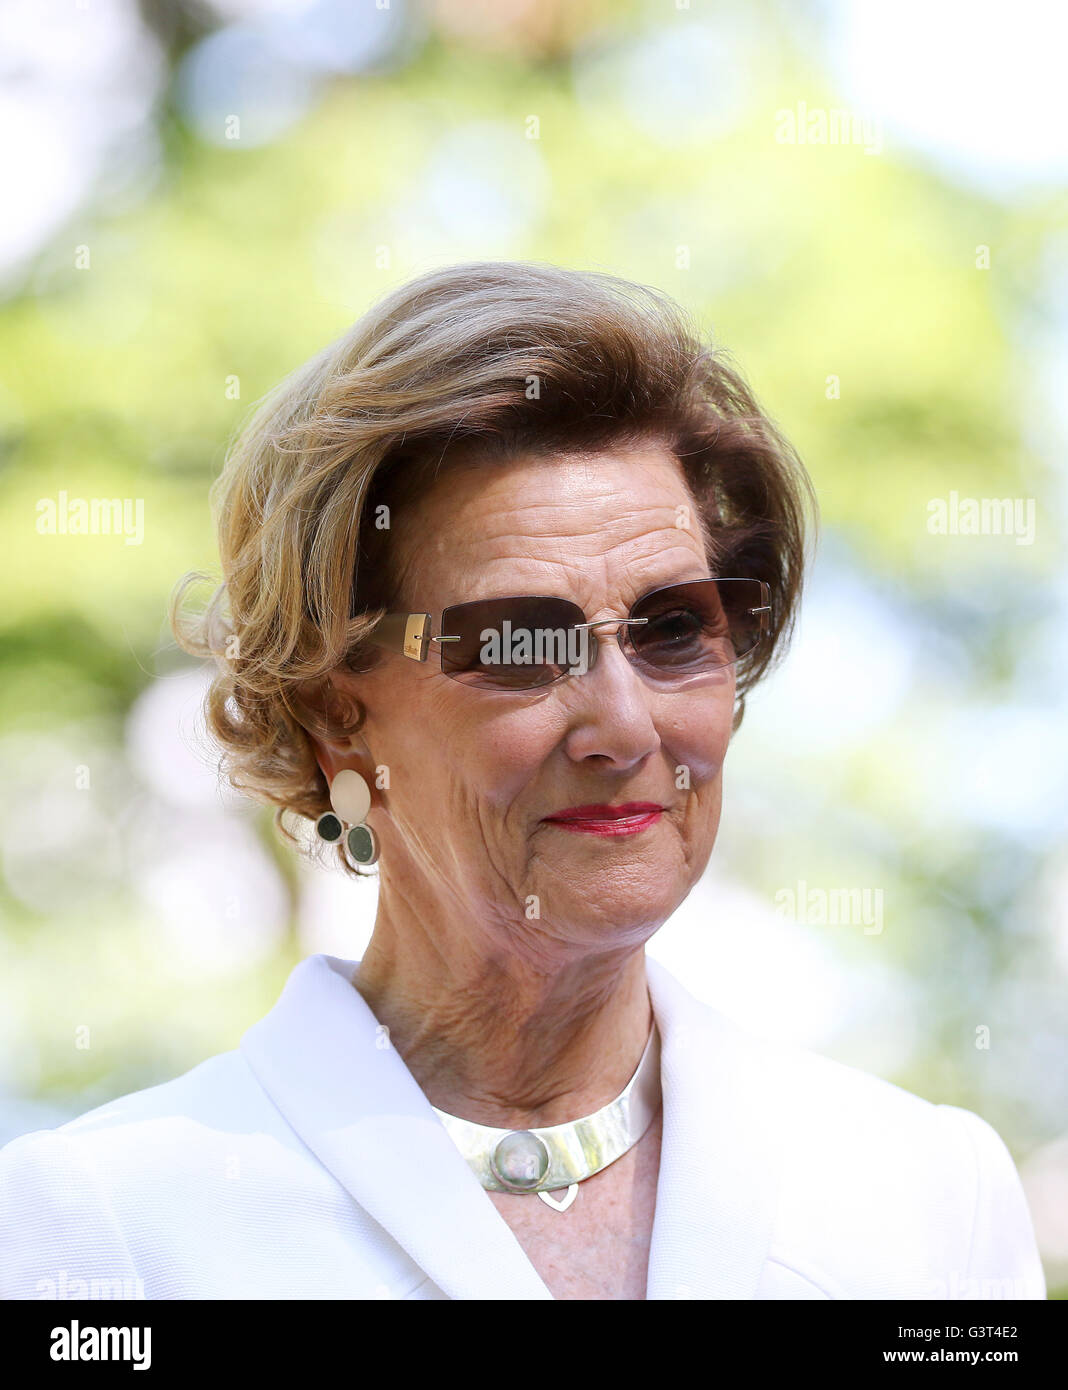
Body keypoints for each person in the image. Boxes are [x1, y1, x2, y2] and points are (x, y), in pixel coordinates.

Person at [0, 262, 1045, 1300]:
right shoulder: (109, 1225)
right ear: (333, 710)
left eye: (674, 627)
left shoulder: (927, 1199)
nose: (624, 723)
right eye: (519, 642)